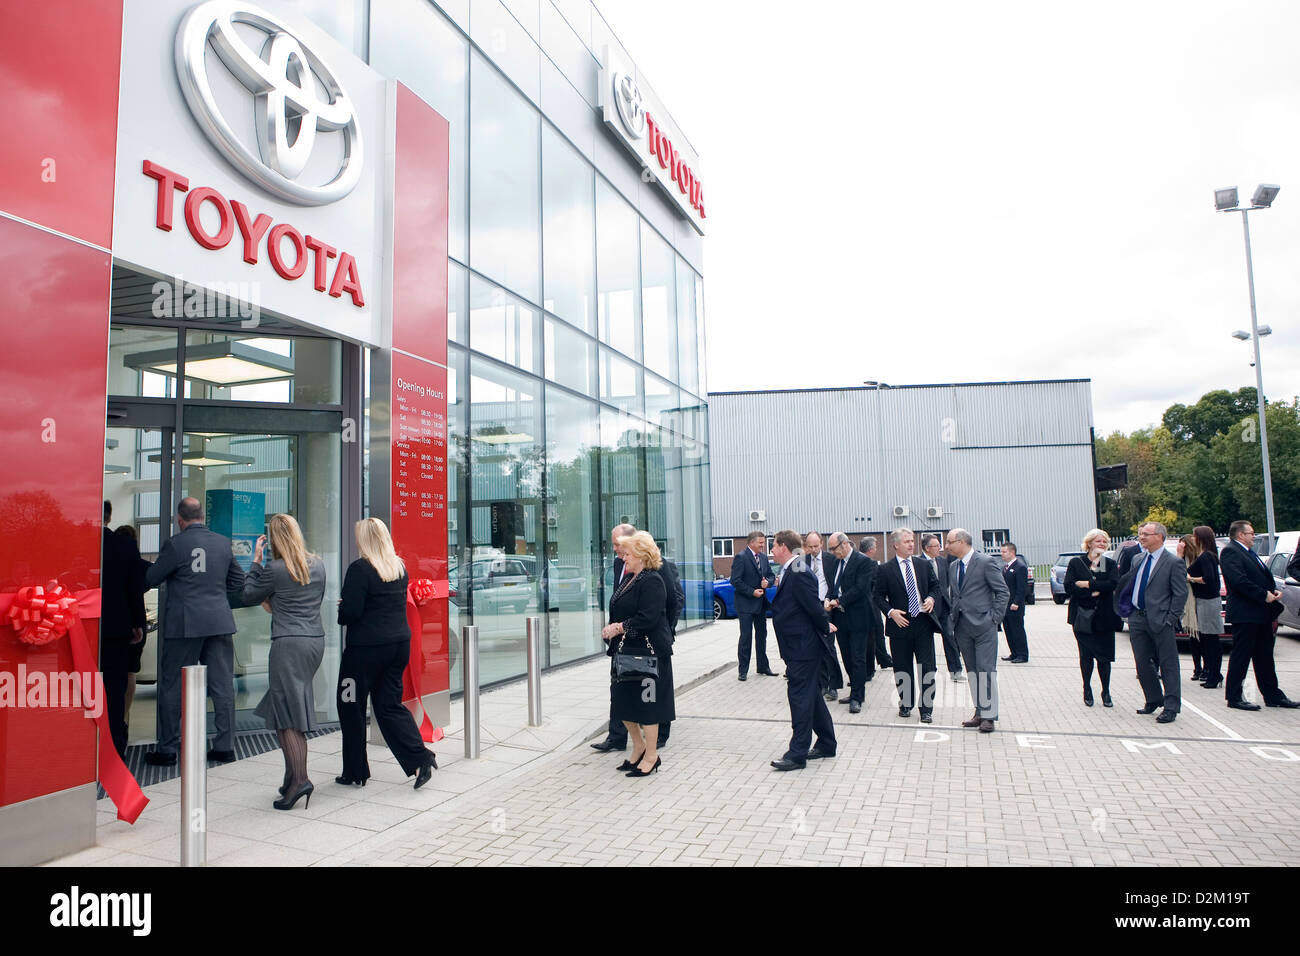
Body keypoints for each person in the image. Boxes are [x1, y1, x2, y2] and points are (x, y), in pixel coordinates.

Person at [336, 517, 438, 789]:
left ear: (365, 540)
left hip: (364, 652)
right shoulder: (398, 567)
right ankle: (420, 757)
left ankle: (355, 771)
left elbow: (350, 613)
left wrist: (341, 606)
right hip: (397, 647)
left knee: (351, 708)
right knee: (389, 706)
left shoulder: (360, 569)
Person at [143, 498, 246, 766]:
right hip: (219, 622)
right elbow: (238, 581)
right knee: (222, 685)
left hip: (184, 625)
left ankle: (168, 749)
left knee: (172, 685)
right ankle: (224, 746)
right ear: (202, 516)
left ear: (180, 519)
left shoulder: (176, 544)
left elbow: (151, 578)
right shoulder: (223, 543)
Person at [240, 514, 326, 811]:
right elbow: (307, 601)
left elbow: (249, 594)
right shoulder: (317, 564)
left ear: (274, 538)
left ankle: (300, 780)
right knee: (283, 709)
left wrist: (255, 561)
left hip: (287, 645)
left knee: (288, 716)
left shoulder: (274, 569)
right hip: (314, 642)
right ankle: (291, 779)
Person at [592, 524, 683, 752]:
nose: (615, 550)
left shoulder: (658, 569)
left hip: (649, 643)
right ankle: (617, 738)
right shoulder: (620, 565)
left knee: (651, 694)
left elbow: (672, 602)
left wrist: (665, 631)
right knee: (621, 690)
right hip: (623, 643)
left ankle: (657, 740)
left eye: (618, 544)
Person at [768, 530, 836, 770]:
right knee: (811, 696)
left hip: (803, 647)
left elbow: (813, 606)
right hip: (797, 645)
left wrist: (825, 627)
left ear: (784, 547)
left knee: (799, 697)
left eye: (774, 546)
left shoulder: (798, 571)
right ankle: (827, 743)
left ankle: (797, 754)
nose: (772, 551)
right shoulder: (791, 569)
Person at [1220, 520, 1299, 710]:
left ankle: (1272, 695)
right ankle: (1234, 696)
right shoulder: (1231, 551)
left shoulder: (1248, 553)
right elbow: (1239, 581)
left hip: (1261, 613)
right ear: (1240, 535)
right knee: (1242, 655)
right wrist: (1264, 595)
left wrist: (1272, 590)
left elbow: (1260, 576)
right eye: (1251, 533)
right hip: (1246, 613)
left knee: (1264, 656)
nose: (1253, 537)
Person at [1119, 522, 1187, 724]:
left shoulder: (1173, 562)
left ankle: (1171, 705)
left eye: (1146, 534)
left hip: (1160, 619)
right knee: (1142, 661)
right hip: (1137, 618)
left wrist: (1170, 619)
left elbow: (1180, 594)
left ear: (1159, 536)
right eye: (1140, 534)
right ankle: (1153, 698)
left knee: (1168, 663)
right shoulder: (1138, 558)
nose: (1142, 538)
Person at [873, 528, 941, 722]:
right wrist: (890, 612)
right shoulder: (885, 569)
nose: (911, 544)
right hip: (900, 624)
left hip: (922, 623)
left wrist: (930, 599)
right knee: (902, 668)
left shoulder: (922, 565)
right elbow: (877, 596)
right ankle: (906, 702)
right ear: (896, 544)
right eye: (906, 541)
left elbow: (936, 587)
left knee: (927, 668)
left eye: (912, 541)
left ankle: (926, 708)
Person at [946, 529, 1010, 732]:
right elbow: (957, 595)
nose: (946, 546)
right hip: (962, 626)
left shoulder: (985, 562)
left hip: (984, 626)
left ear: (962, 542)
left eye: (949, 542)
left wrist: (994, 619)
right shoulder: (954, 565)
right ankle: (979, 711)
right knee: (972, 670)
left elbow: (1002, 591)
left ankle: (989, 716)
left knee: (986, 669)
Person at [99, 502, 146, 759]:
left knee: (80, 686)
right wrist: (137, 623)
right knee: (115, 688)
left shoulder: (78, 542)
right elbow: (134, 589)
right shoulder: (124, 545)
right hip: (117, 630)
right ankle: (115, 746)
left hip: (82, 629)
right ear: (109, 517)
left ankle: (83, 742)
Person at [1065, 529, 1121, 707]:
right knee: (1086, 655)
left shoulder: (1108, 563)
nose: (1102, 544)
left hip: (1103, 617)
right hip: (1082, 616)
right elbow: (1069, 586)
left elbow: (1112, 584)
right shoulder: (1077, 562)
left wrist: (1088, 584)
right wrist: (1093, 592)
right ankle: (1087, 688)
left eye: (1105, 542)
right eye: (1098, 541)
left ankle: (1106, 691)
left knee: (1104, 657)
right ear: (1089, 543)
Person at [825, 532, 871, 712]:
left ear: (844, 544)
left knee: (858, 658)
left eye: (833, 548)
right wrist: (829, 598)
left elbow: (860, 588)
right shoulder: (836, 563)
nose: (832, 552)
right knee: (847, 657)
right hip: (840, 618)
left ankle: (858, 697)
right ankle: (853, 692)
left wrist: (840, 601)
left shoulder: (863, 561)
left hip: (858, 618)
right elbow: (833, 586)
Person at [731, 530, 777, 680]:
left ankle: (763, 666)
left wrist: (768, 583)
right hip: (745, 604)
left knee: (762, 635)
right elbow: (735, 581)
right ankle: (743, 670)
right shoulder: (741, 557)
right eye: (761, 543)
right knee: (746, 637)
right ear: (752, 542)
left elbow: (770, 575)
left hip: (760, 604)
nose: (763, 545)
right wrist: (752, 592)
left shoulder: (763, 558)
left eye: (764, 542)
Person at [805, 531, 843, 702]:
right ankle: (820, 684)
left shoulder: (831, 559)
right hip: (810, 608)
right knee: (815, 647)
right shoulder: (803, 561)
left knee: (829, 647)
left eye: (816, 546)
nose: (813, 550)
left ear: (821, 543)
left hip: (826, 607)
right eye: (810, 546)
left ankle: (833, 685)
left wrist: (830, 598)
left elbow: (836, 582)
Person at [921, 533, 962, 681]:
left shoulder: (942, 561)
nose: (940, 548)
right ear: (927, 548)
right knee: (927, 641)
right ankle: (930, 670)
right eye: (936, 545)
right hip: (927, 608)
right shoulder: (918, 563)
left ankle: (956, 670)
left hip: (944, 606)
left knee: (950, 637)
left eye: (939, 545)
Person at [1188, 525, 1225, 689]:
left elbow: (1208, 578)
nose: (1192, 540)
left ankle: (1215, 673)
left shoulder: (1207, 557)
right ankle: (1212, 672)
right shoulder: (1203, 556)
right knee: (1206, 638)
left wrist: (1191, 579)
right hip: (1203, 600)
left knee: (1210, 639)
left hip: (1208, 600)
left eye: (1195, 536)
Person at [858, 536, 893, 673]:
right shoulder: (869, 563)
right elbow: (874, 585)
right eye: (875, 547)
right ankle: (873, 666)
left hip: (867, 604)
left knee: (876, 632)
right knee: (875, 632)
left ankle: (883, 659)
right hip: (870, 604)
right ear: (871, 549)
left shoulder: (857, 561)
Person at [1178, 535, 1204, 682]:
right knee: (1193, 636)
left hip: (1198, 598)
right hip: (1187, 600)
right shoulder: (1180, 561)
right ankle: (1197, 668)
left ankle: (1204, 668)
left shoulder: (1199, 559)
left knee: (1203, 636)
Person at [1000, 542, 1030, 663]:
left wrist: (1016, 602)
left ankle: (1022, 654)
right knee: (1008, 630)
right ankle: (1014, 652)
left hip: (1015, 606)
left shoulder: (1020, 567)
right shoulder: (1005, 567)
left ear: (1012, 552)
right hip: (1005, 605)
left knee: (1017, 630)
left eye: (1004, 552)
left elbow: (1022, 588)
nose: (1001, 554)